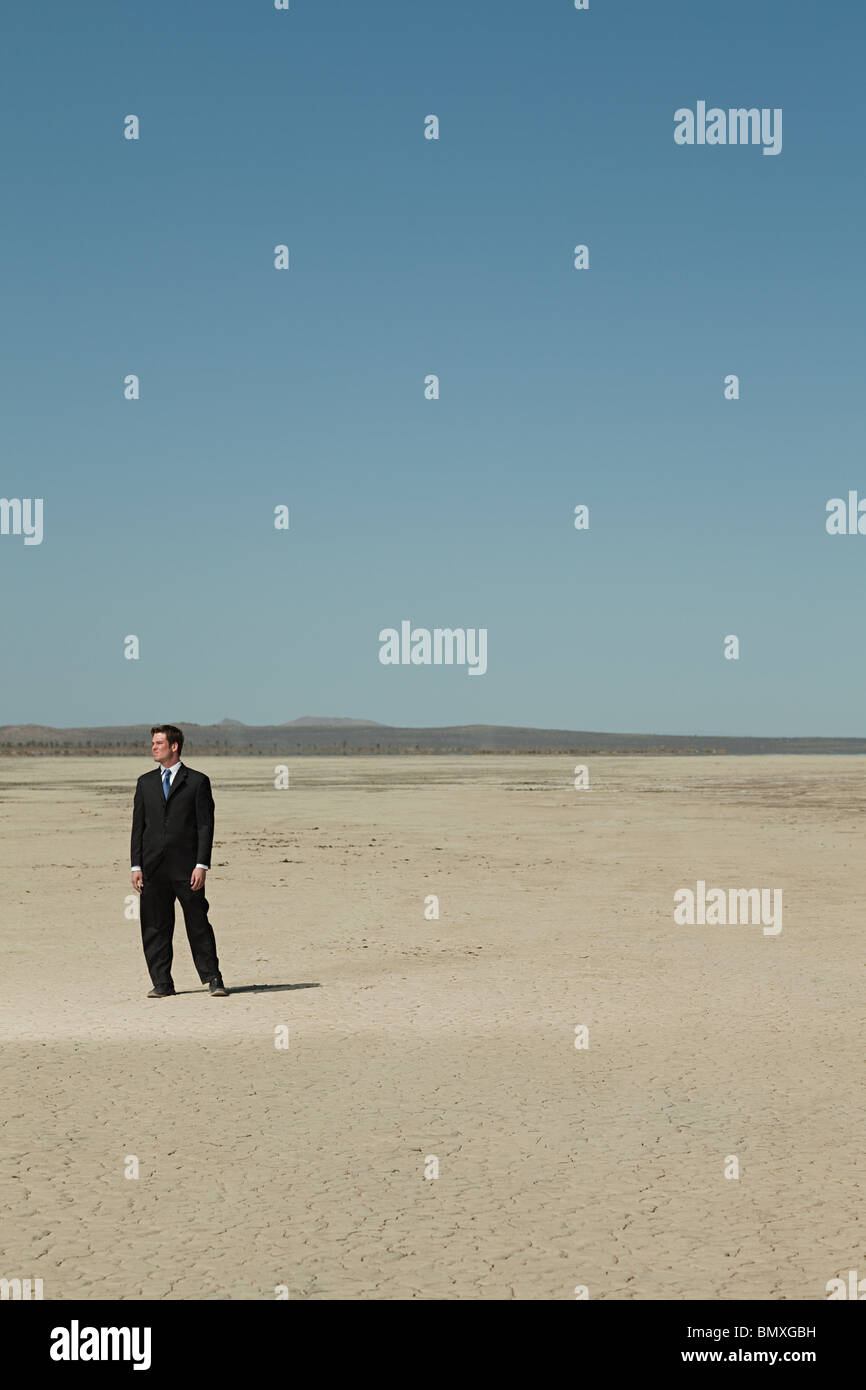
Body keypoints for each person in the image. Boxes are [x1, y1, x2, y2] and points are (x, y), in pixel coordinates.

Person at [130, 724, 228, 998]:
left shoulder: (196, 781)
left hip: (186, 868)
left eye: (159, 743)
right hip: (153, 868)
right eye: (153, 743)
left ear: (174, 746)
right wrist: (136, 866)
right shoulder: (145, 783)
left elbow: (205, 826)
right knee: (155, 926)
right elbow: (138, 827)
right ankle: (162, 983)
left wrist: (202, 864)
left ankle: (214, 978)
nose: (153, 747)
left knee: (197, 922)